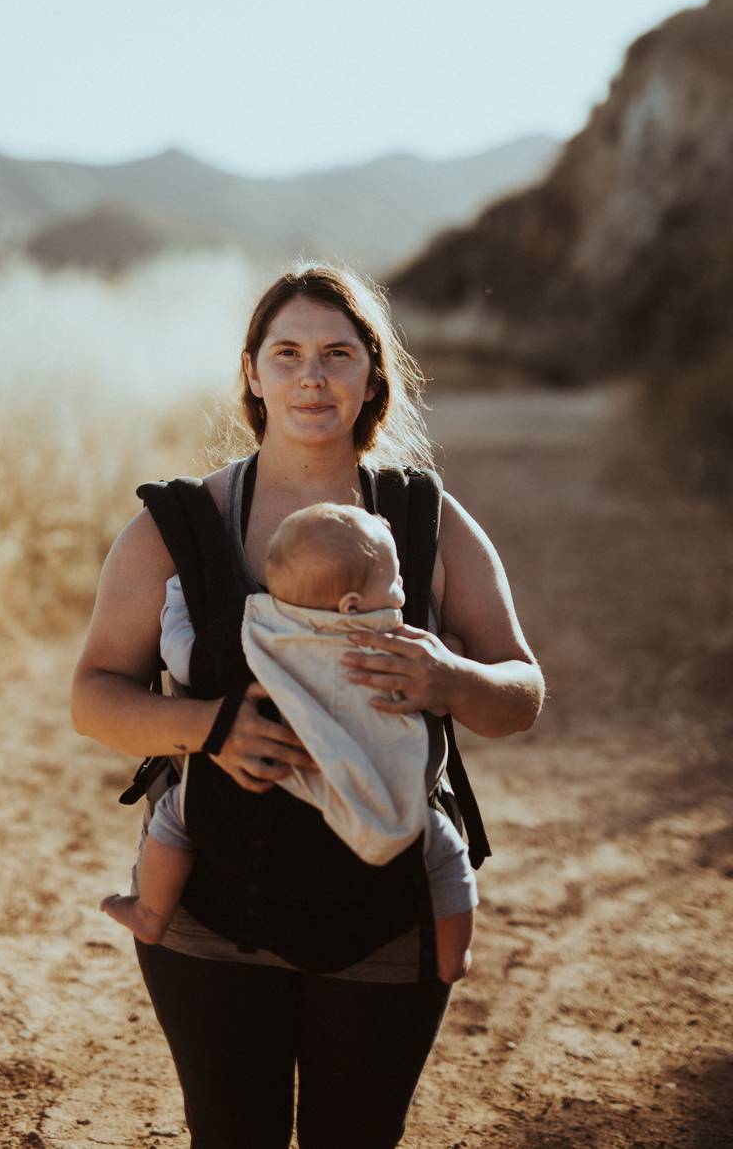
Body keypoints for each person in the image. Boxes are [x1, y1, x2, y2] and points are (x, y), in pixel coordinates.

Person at [71, 264, 544, 1149]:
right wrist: (207, 729)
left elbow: (521, 691)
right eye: (286, 354)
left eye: (337, 354)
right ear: (252, 373)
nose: (312, 377)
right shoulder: (177, 527)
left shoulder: (425, 519)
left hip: (388, 919)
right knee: (230, 1135)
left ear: (373, 374)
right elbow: (94, 694)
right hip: (209, 919)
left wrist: (450, 678)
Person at [99, 501, 477, 983]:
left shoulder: (254, 630)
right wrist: (455, 658)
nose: (401, 591)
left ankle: (151, 912)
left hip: (270, 777)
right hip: (369, 785)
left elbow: (184, 658)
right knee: (443, 850)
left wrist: (177, 601)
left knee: (175, 816)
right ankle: (452, 958)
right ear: (352, 607)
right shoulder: (392, 646)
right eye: (395, 580)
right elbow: (440, 695)